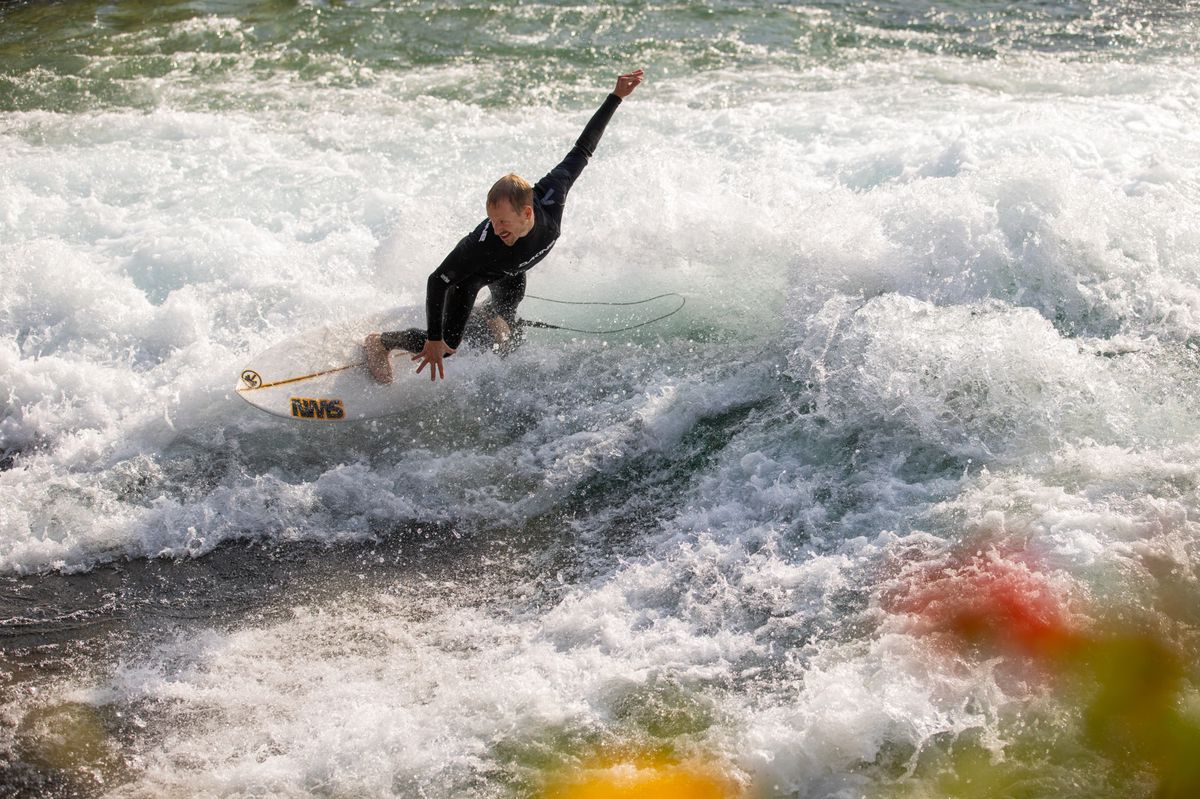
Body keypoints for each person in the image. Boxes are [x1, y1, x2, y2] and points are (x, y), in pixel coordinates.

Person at [363, 69, 645, 383]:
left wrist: (616, 97)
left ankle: (487, 316)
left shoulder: (552, 194)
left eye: (503, 221)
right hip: (469, 282)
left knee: (509, 335)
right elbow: (437, 281)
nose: (496, 228)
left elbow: (583, 149)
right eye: (492, 220)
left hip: (510, 274)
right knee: (447, 347)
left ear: (527, 213)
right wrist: (433, 337)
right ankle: (381, 342)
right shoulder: (481, 243)